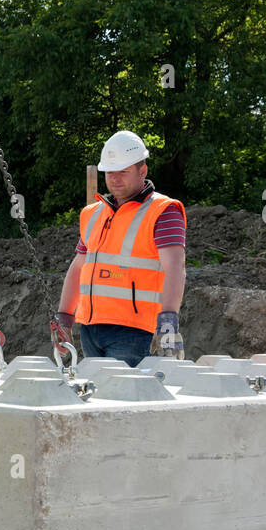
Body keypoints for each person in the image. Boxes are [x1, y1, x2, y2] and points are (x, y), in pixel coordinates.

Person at [56, 130, 186, 367]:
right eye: (109, 172)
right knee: (99, 400)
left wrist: (169, 319)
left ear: (142, 171)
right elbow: (79, 266)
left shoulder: (163, 211)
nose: (114, 179)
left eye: (123, 172)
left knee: (121, 398)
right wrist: (64, 316)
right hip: (90, 329)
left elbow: (175, 267)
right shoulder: (92, 214)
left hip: (133, 331)